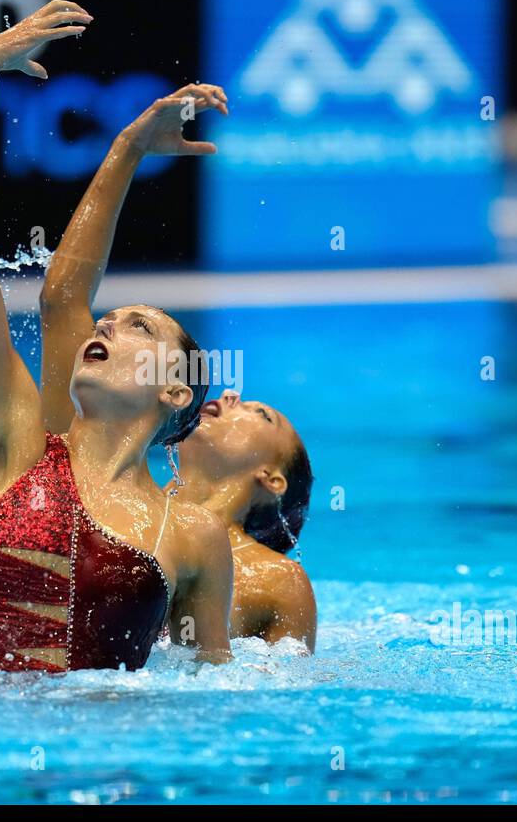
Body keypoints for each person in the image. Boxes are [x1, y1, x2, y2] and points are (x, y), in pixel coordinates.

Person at [0, 1, 234, 674]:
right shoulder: (8, 442)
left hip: (112, 766)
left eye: (139, 327)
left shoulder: (193, 534)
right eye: (111, 318)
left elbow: (214, 702)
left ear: (174, 389)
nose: (106, 323)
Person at [38, 83, 318, 652]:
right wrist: (128, 149)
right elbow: (62, 299)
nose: (232, 397)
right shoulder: (86, 460)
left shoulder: (276, 582)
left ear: (271, 480)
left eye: (261, 415)